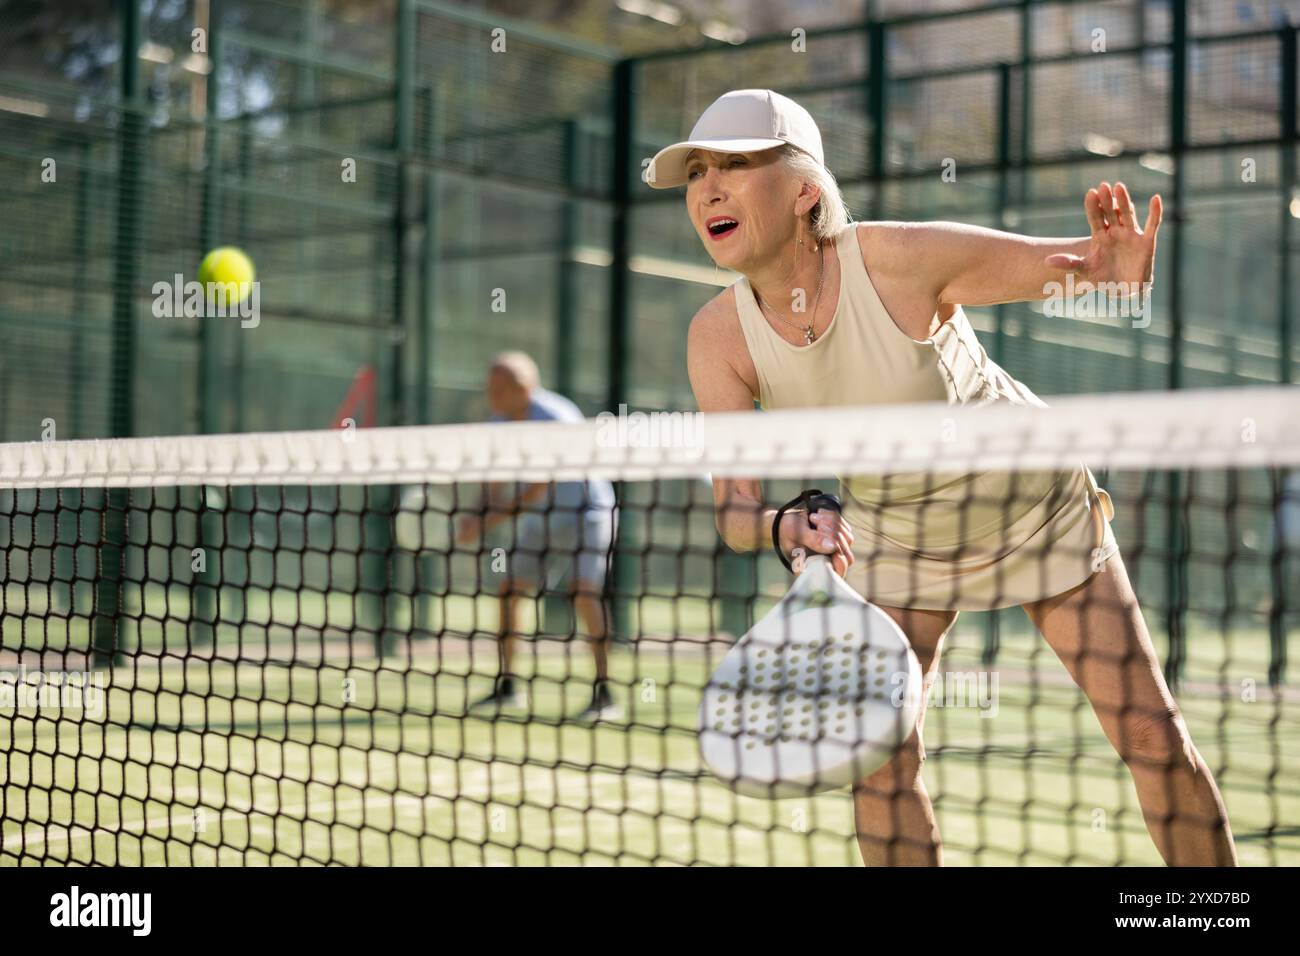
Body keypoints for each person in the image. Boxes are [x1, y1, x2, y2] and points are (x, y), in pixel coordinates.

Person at [647, 88, 1236, 866]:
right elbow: (736, 512)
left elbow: (1067, 269)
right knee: (881, 761)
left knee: (1147, 731)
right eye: (697, 173)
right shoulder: (718, 336)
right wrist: (787, 524)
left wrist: (1110, 269)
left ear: (803, 191)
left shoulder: (894, 260)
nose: (708, 188)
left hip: (1028, 499)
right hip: (897, 532)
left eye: (734, 165)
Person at [457, 352, 621, 723]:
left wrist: (484, 524)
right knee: (509, 590)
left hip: (587, 513)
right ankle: (508, 686)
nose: (492, 396)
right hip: (540, 519)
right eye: (490, 388)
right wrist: (472, 514)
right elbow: (493, 483)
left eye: (500, 389)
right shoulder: (498, 424)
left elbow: (534, 489)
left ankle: (604, 692)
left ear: (525, 389)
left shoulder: (557, 419)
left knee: (584, 593)